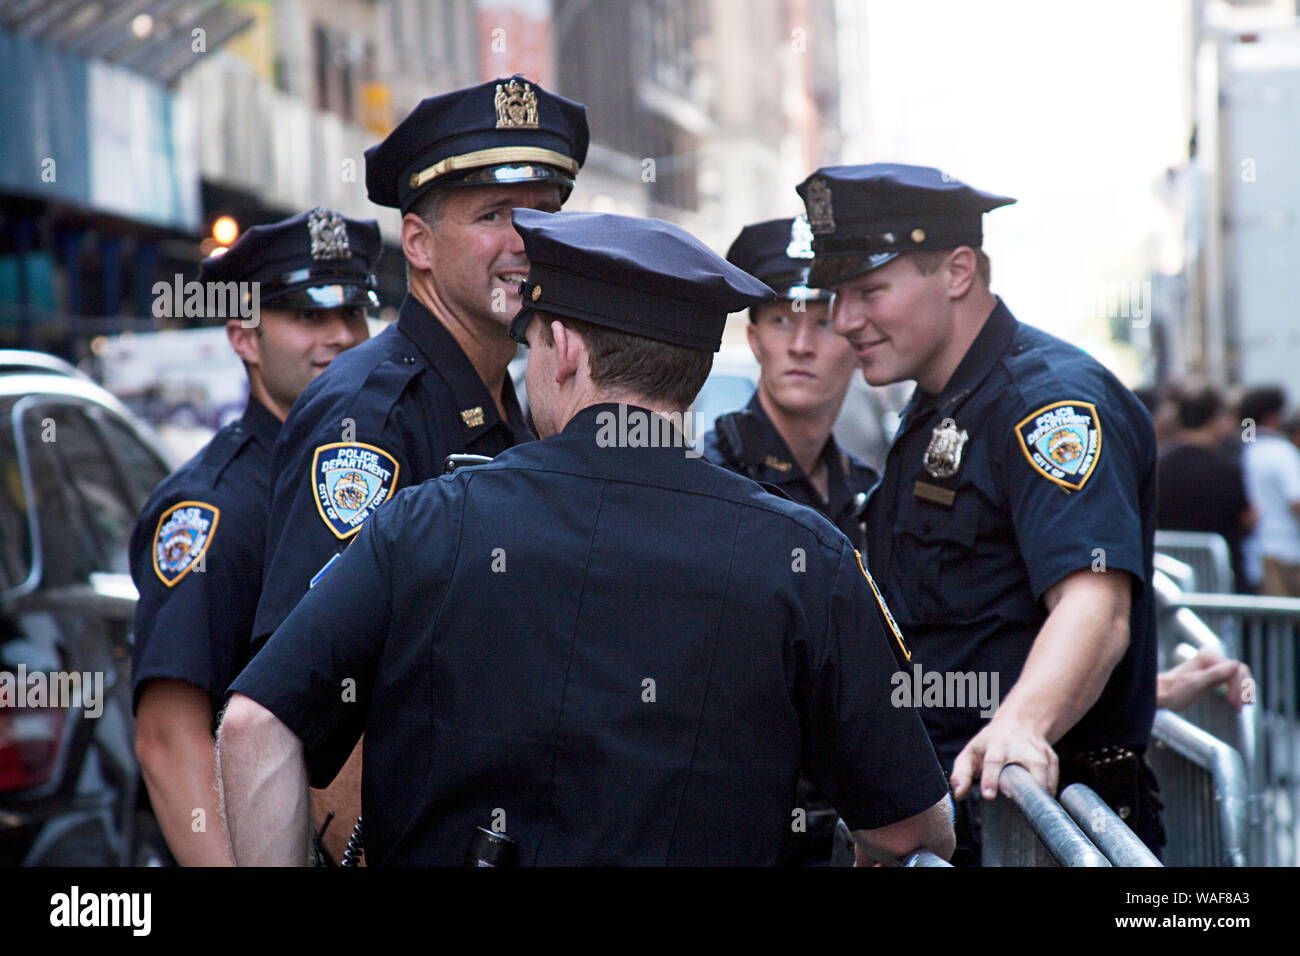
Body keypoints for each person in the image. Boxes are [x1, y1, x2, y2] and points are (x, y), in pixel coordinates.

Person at [217, 209, 955, 866]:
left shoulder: (428, 520)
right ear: (691, 375)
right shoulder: (804, 557)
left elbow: (253, 725)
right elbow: (910, 832)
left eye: (530, 343)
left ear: (563, 347)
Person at [248, 78, 588, 860]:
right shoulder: (370, 417)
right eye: (494, 216)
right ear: (420, 245)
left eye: (542, 213)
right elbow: (307, 704)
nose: (525, 240)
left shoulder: (517, 398)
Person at [798, 163, 1161, 862]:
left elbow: (1096, 604)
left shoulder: (1047, 403)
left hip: (1038, 827)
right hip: (958, 819)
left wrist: (1023, 724)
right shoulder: (942, 400)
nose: (843, 321)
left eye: (869, 289)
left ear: (959, 271)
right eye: (837, 295)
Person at [129, 207, 378, 865]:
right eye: (308, 316)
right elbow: (166, 736)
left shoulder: (362, 466)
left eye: (353, 315)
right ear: (244, 338)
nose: (341, 337)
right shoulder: (212, 508)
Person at [701, 217, 877, 548]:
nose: (800, 346)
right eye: (781, 321)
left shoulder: (864, 487)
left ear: (857, 344)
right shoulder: (712, 479)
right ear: (755, 340)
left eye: (824, 323)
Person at [1156, 382, 1256, 592]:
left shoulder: (1159, 463)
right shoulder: (1228, 467)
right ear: (1214, 418)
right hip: (1221, 579)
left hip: (1171, 580)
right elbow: (1248, 518)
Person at [1239, 386, 1300, 597]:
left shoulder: (1246, 449)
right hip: (1285, 551)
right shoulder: (1282, 452)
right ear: (1273, 416)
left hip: (1254, 550)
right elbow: (1296, 501)